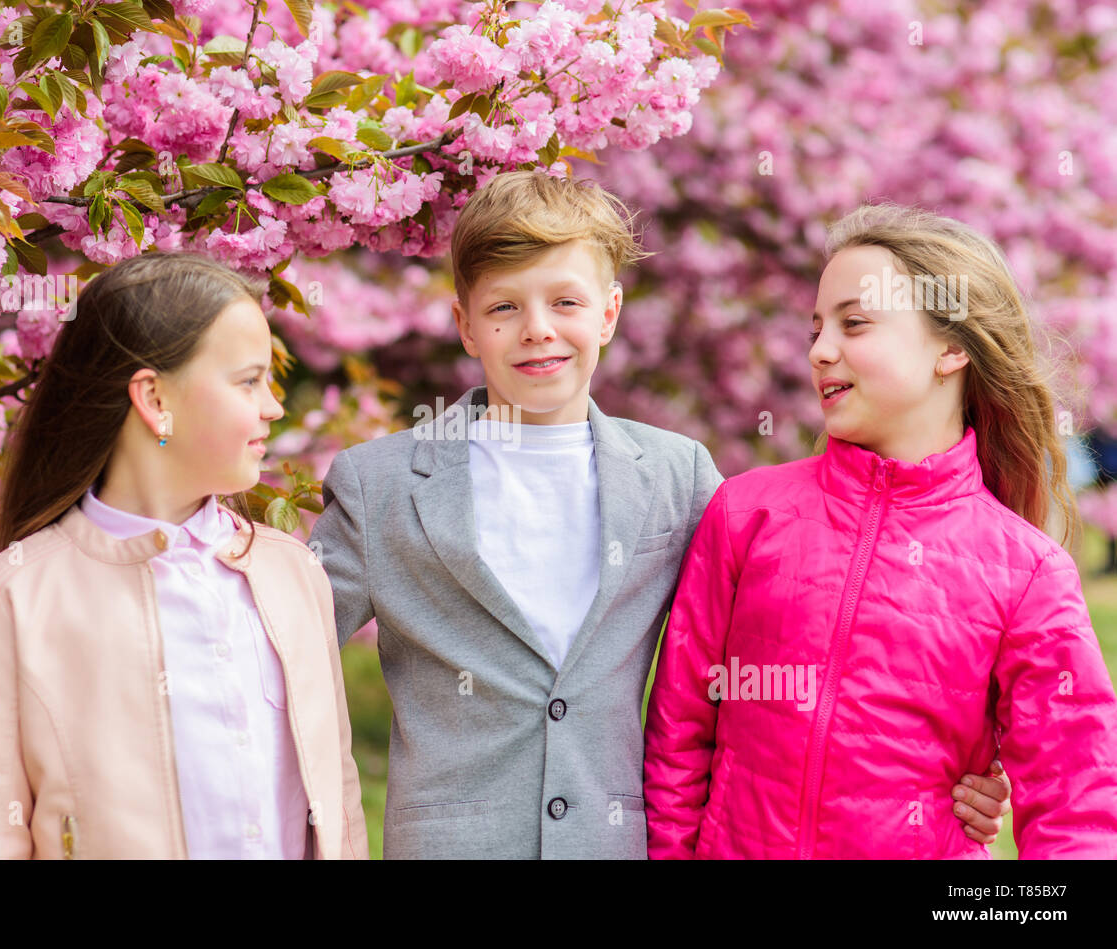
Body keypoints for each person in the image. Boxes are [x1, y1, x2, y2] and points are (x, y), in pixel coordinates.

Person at [311, 175, 1005, 858]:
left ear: (609, 313)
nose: (538, 330)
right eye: (504, 309)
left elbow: (796, 640)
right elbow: (281, 658)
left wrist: (950, 758)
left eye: (565, 301)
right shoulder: (382, 485)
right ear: (464, 325)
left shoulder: (680, 477)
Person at [644, 204, 1117, 858]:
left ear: (951, 347)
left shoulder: (1029, 573)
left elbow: (1078, 808)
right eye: (816, 327)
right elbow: (678, 733)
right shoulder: (746, 512)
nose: (819, 350)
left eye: (855, 323)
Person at [0, 252, 367, 859]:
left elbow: (337, 797)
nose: (274, 406)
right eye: (249, 381)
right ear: (154, 399)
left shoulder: (293, 573)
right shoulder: (15, 597)